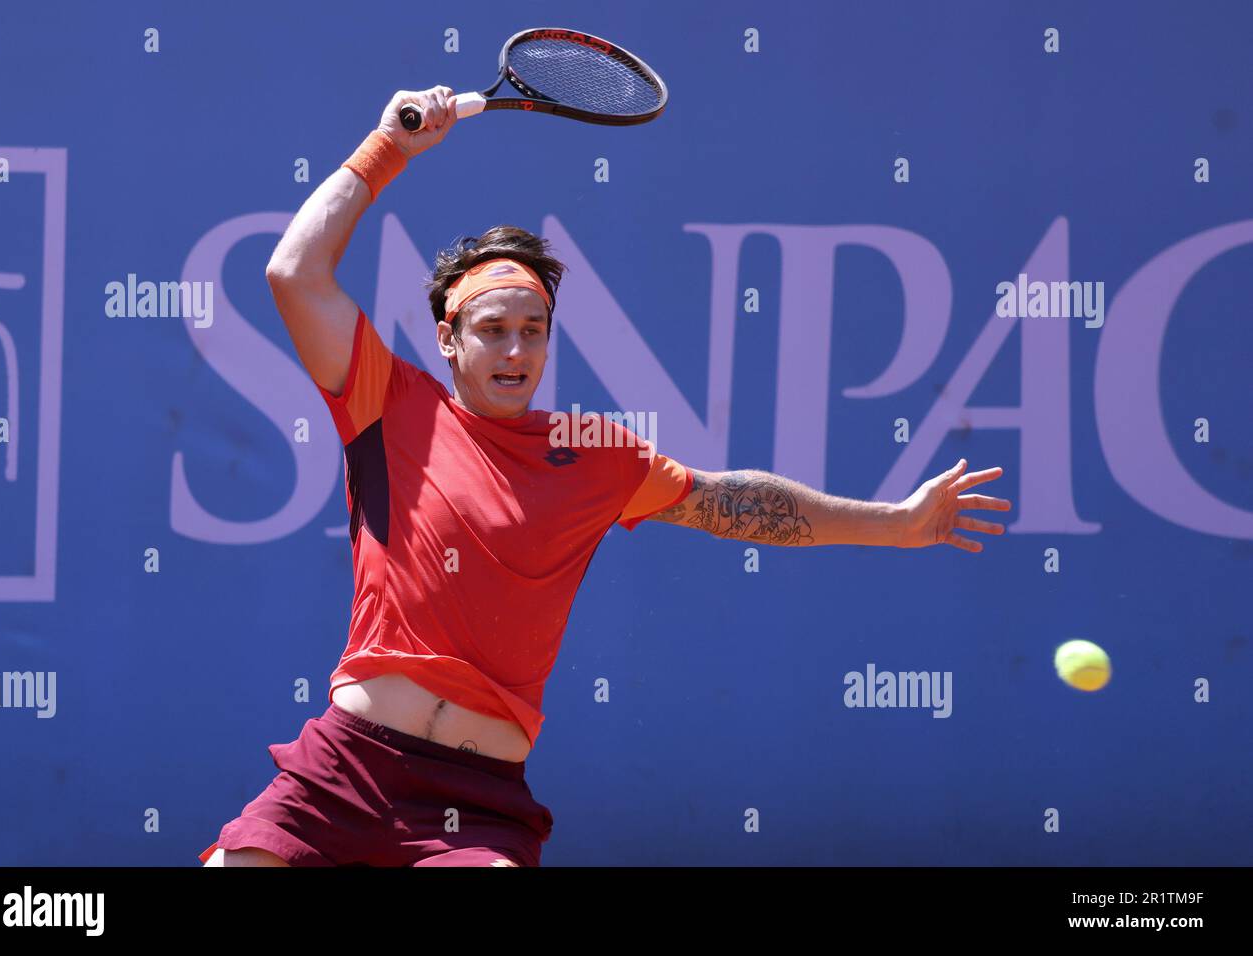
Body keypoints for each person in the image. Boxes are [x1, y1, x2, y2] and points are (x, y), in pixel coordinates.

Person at [199, 86, 1011, 867]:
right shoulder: (386, 401)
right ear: (449, 340)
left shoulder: (596, 452)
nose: (516, 351)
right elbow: (293, 273)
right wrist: (388, 150)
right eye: (493, 330)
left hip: (475, 800)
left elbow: (732, 503)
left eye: (533, 330)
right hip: (344, 770)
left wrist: (897, 523)